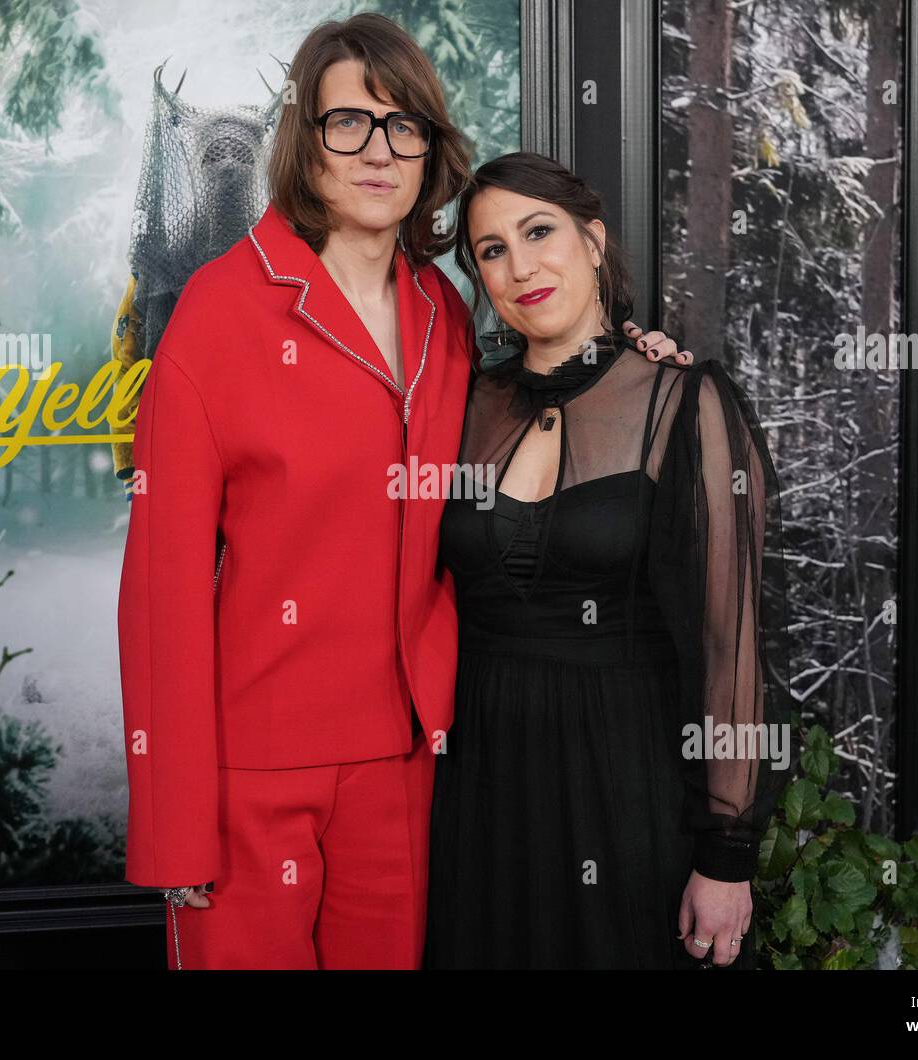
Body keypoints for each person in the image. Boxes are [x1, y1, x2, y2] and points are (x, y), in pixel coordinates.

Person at [116, 15, 683, 969]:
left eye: (402, 125)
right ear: (305, 140)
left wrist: (626, 363)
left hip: (408, 763)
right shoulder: (219, 308)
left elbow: (530, 407)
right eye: (349, 123)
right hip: (250, 769)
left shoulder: (445, 313)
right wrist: (175, 824)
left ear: (429, 145)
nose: (378, 151)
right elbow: (161, 584)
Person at [424, 152, 791, 969]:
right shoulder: (459, 403)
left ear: (593, 241)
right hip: (479, 786)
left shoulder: (685, 401)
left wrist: (725, 854)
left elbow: (730, 640)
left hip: (627, 783)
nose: (520, 267)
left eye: (538, 231)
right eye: (490, 250)